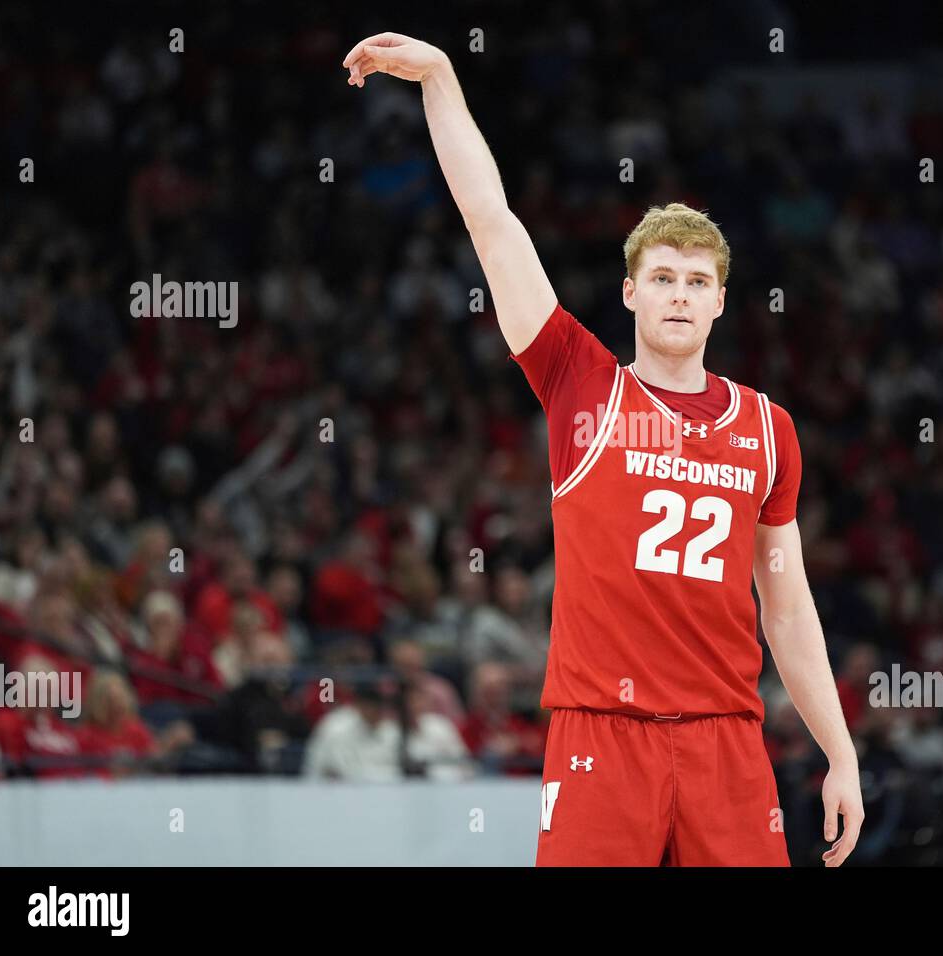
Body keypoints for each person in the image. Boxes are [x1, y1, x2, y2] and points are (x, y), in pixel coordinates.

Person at [342, 32, 864, 866]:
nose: (680, 296)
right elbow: (491, 220)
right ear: (630, 292)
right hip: (600, 733)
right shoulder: (580, 381)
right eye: (663, 278)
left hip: (726, 738)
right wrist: (440, 80)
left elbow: (790, 609)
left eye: (698, 282)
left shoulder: (769, 428)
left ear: (722, 303)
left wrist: (840, 752)